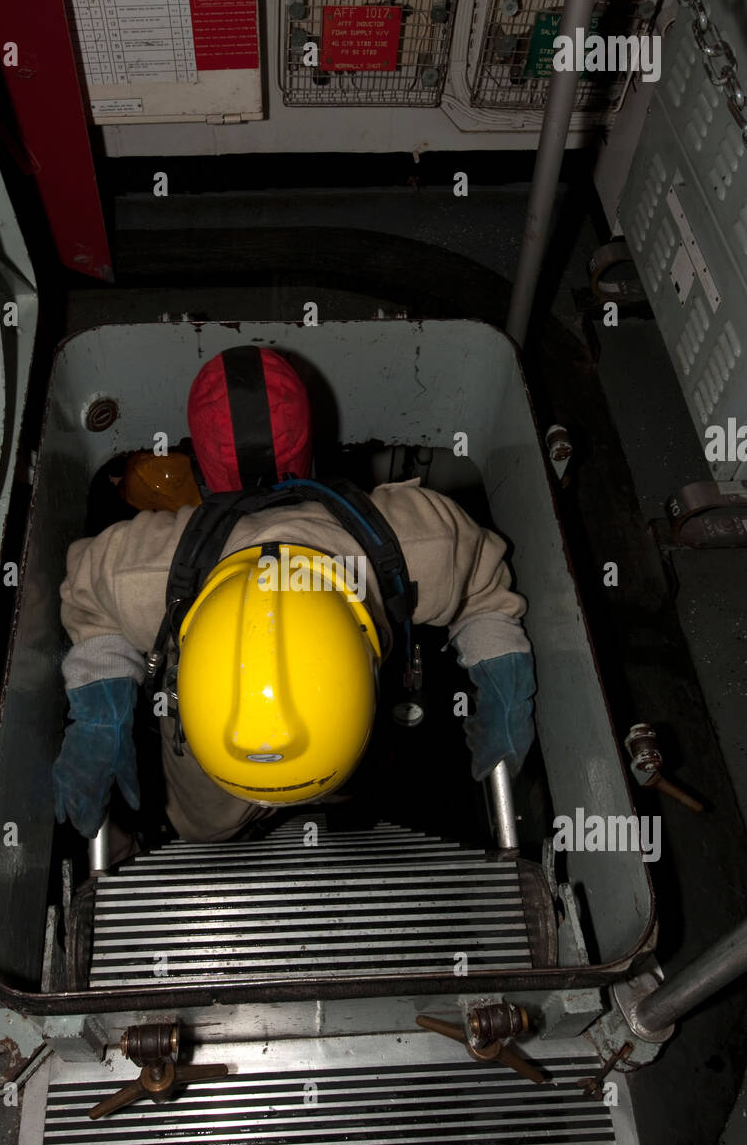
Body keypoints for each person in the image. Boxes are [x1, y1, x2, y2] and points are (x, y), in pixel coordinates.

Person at [53, 346, 536, 843]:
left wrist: (503, 687)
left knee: (344, 799)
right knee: (208, 825)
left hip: (345, 751)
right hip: (215, 776)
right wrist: (101, 717)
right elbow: (479, 582)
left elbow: (94, 600)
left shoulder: (142, 569)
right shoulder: (420, 542)